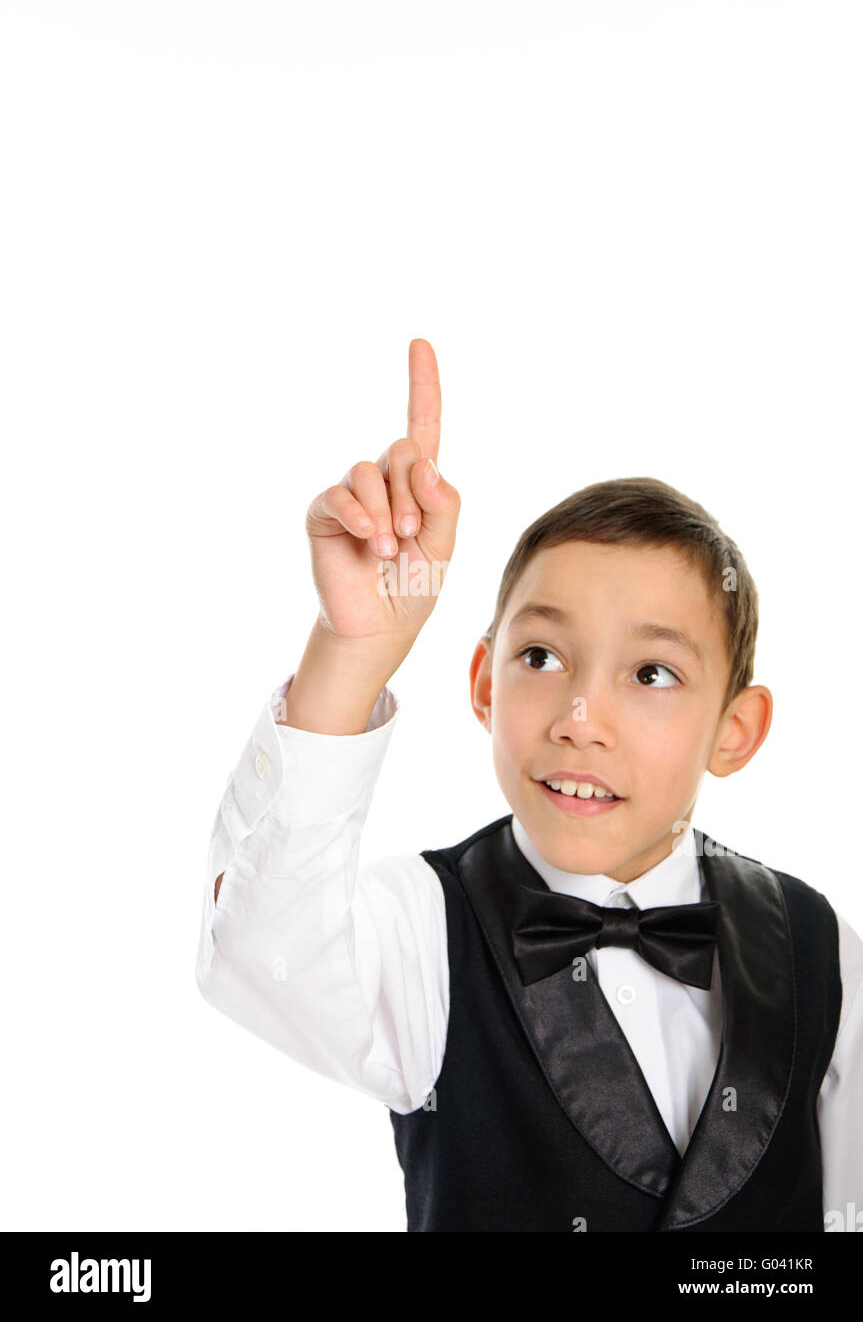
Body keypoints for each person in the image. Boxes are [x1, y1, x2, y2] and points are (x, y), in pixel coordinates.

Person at [195, 338, 863, 1232]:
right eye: (541, 657)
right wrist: (352, 652)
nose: (580, 716)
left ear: (733, 732)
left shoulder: (823, 949)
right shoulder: (425, 927)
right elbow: (255, 949)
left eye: (651, 674)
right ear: (483, 685)